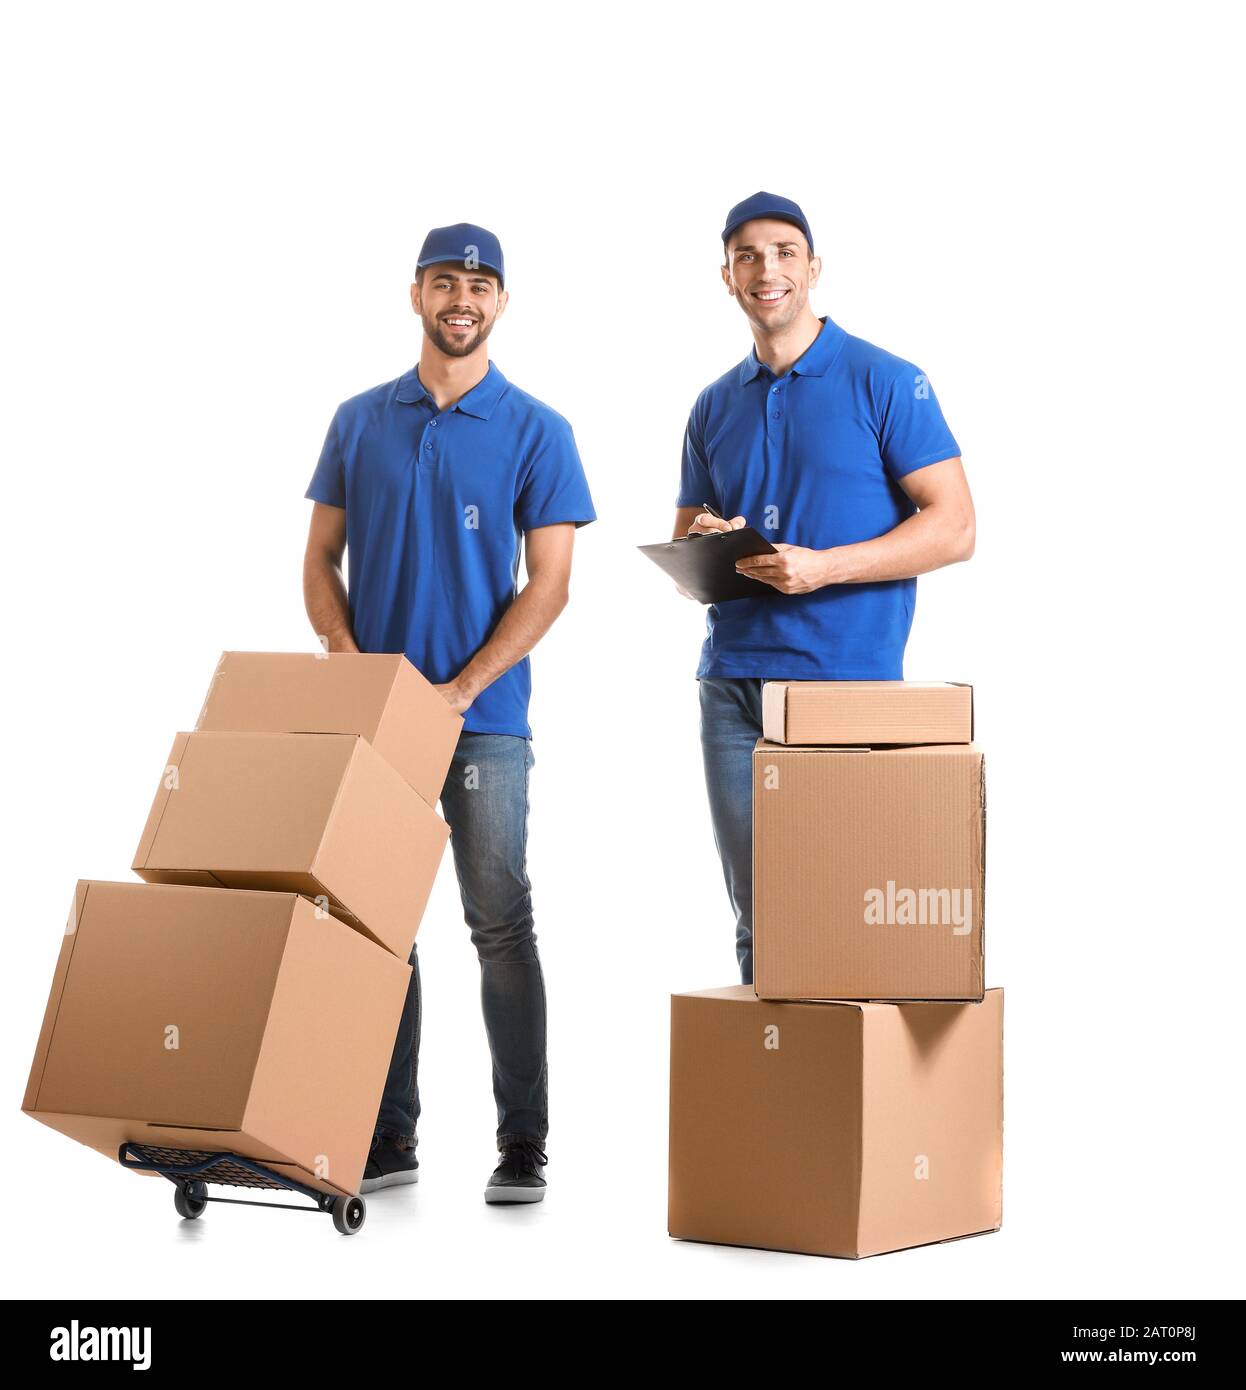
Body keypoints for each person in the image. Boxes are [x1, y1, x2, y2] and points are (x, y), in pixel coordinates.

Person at [303, 222, 595, 1203]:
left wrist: (458, 691)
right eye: (443, 281)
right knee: (377, 927)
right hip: (378, 723)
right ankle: (390, 1138)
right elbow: (318, 559)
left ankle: (522, 1143)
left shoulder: (537, 429)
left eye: (478, 283)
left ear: (501, 301)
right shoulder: (358, 419)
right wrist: (350, 664)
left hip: (485, 724)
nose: (460, 298)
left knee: (498, 920)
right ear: (416, 294)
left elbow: (549, 584)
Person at [672, 192, 975, 984]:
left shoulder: (886, 380)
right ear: (728, 277)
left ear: (812, 268)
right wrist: (707, 542)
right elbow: (688, 540)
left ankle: (856, 1096)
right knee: (762, 920)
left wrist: (824, 567)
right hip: (733, 689)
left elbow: (955, 528)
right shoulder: (712, 406)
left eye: (782, 251)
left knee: (848, 909)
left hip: (844, 686)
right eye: (747, 255)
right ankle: (778, 1098)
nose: (765, 268)